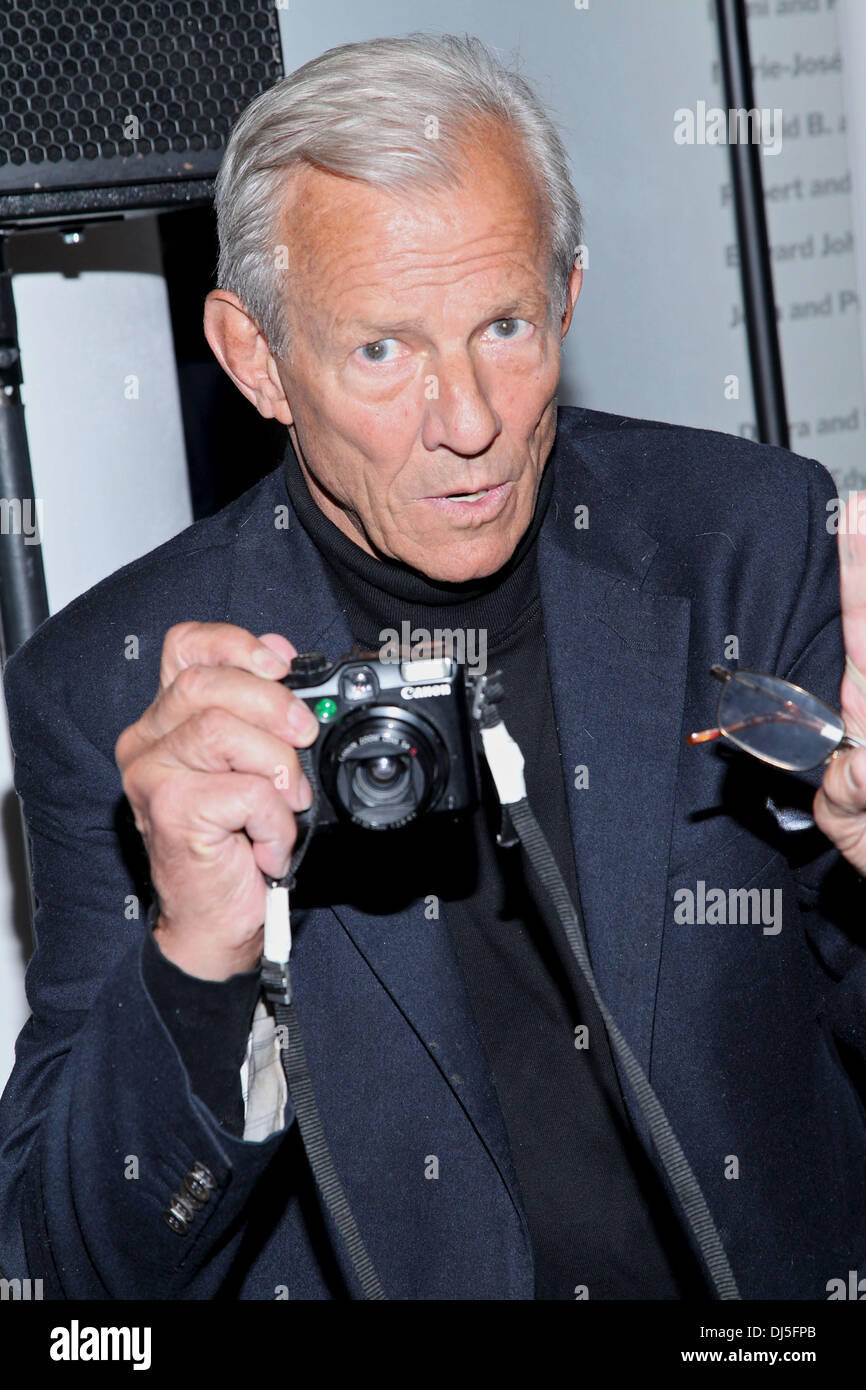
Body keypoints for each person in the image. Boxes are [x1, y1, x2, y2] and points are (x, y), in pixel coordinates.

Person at [1, 31, 865, 1302]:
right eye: (380, 352)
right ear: (255, 359)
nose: (468, 424)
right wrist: (194, 963)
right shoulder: (118, 694)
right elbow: (64, 1278)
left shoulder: (744, 543)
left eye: (504, 325)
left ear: (567, 294)